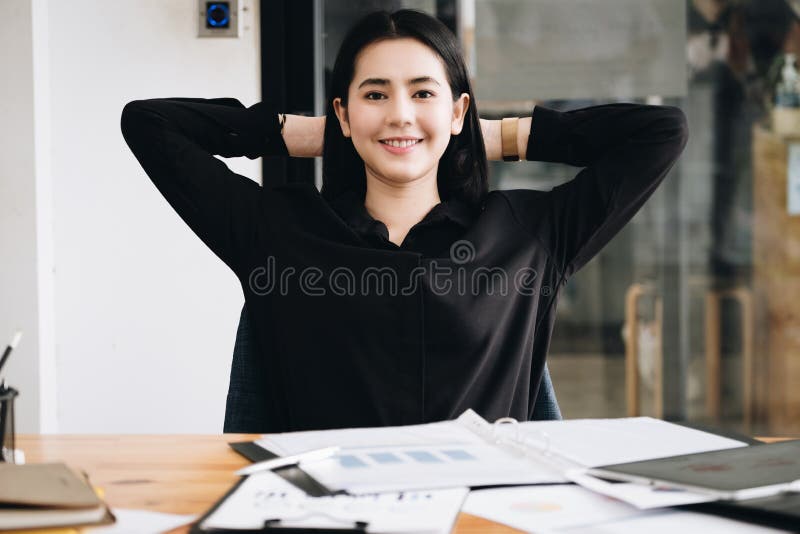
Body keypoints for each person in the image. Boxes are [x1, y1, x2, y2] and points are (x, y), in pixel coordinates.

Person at [120, 9, 688, 432]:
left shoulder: (526, 234)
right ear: (341, 111)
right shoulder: (278, 231)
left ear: (458, 107)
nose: (399, 113)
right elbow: (149, 126)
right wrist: (312, 134)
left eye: (423, 93)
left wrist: (479, 137)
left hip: (479, 514)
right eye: (374, 95)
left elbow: (661, 133)